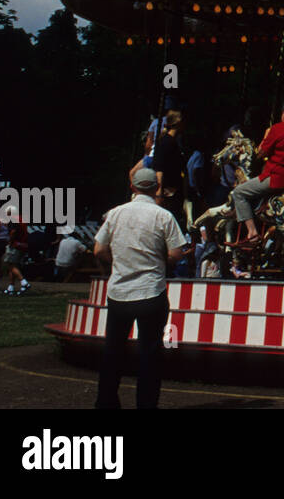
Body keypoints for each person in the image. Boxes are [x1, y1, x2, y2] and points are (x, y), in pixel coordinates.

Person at [93, 167, 191, 409]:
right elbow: (176, 253)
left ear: (133, 187)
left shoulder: (115, 214)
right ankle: (146, 405)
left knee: (113, 351)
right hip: (150, 290)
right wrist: (159, 260)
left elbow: (98, 249)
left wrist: (119, 262)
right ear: (156, 188)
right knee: (149, 354)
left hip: (119, 291)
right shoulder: (163, 216)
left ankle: (106, 403)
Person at [230, 100, 284, 246]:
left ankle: (252, 232)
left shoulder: (278, 128)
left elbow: (260, 154)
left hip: (277, 178)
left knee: (239, 192)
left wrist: (265, 137)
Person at [0, 207, 30, 296]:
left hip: (16, 245)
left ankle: (24, 282)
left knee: (9, 263)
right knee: (13, 265)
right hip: (23, 244)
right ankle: (11, 287)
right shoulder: (21, 219)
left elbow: (13, 231)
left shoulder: (13, 220)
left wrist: (10, 241)